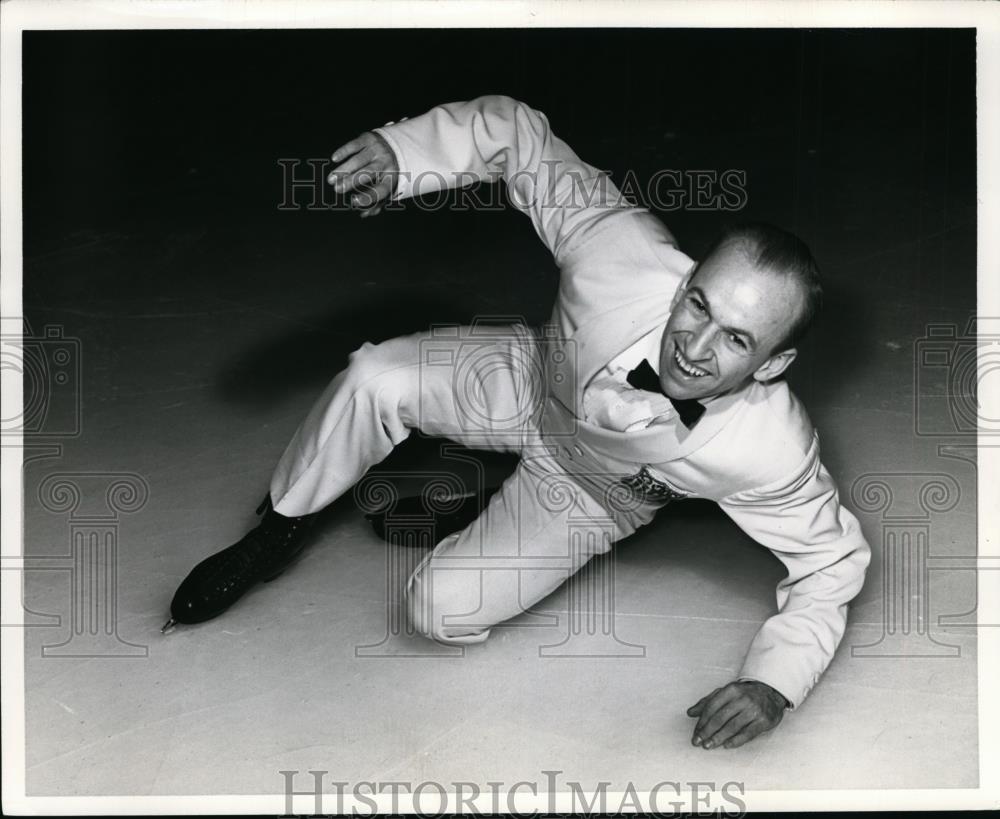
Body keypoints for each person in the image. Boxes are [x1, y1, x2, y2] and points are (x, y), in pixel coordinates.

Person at [165, 95, 871, 751]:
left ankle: (476, 500)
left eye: (738, 340)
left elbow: (832, 563)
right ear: (684, 278)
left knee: (437, 611)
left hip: (592, 493)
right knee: (376, 376)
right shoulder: (621, 254)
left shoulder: (769, 446)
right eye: (698, 304)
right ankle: (278, 528)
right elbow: (515, 136)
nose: (694, 345)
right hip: (531, 380)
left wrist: (774, 681)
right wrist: (403, 154)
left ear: (773, 366)